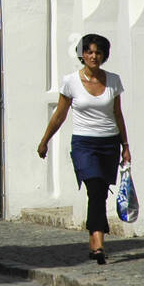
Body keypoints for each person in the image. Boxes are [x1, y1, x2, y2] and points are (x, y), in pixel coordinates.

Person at [37, 33, 130, 266]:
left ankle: (93, 241)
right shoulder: (71, 81)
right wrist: (45, 140)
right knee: (95, 186)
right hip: (84, 144)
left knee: (98, 191)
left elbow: (118, 114)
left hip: (109, 142)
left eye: (98, 52)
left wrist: (125, 146)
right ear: (82, 54)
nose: (93, 56)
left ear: (104, 55)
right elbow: (60, 114)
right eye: (89, 52)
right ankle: (99, 243)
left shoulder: (113, 81)